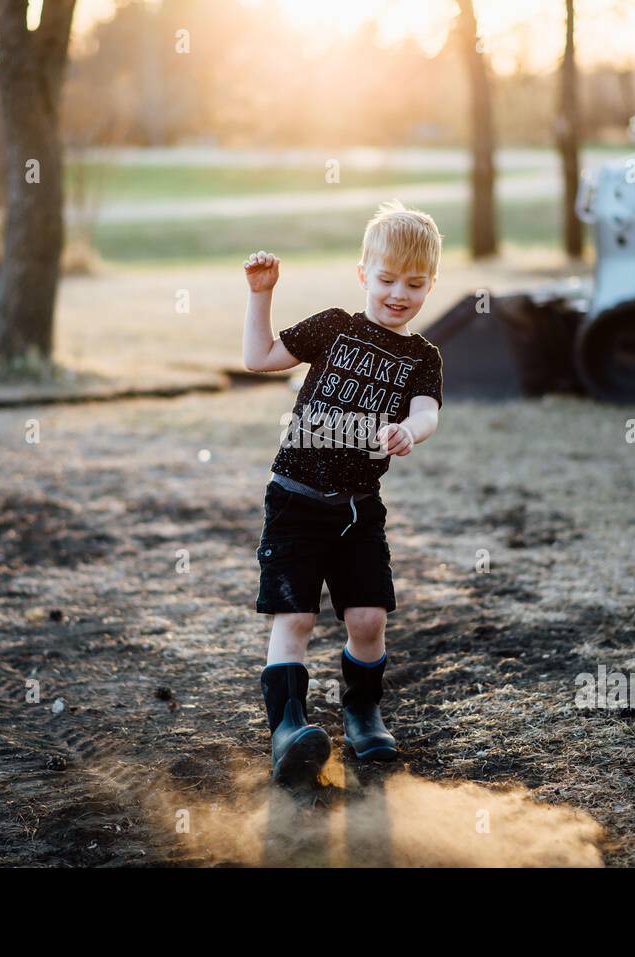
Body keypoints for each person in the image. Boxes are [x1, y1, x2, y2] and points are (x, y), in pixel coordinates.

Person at [240, 199, 445, 786]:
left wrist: (411, 429)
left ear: (432, 284)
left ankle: (361, 711)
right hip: (295, 500)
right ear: (363, 274)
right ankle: (288, 731)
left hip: (358, 510)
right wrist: (261, 294)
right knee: (295, 619)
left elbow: (428, 412)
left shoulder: (422, 357)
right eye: (385, 280)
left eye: (414, 283)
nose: (398, 293)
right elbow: (257, 358)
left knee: (367, 618)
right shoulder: (333, 326)